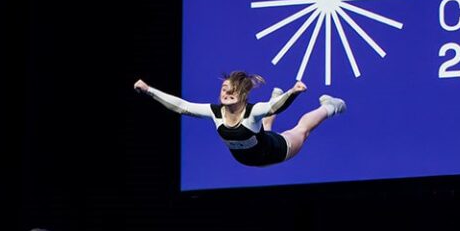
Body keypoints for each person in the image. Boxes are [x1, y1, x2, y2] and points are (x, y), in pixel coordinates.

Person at [133, 74, 345, 167]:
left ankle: (330, 106)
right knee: (264, 125)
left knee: (302, 130)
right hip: (252, 153)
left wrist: (293, 92)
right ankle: (276, 99)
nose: (227, 91)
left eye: (233, 89)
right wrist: (149, 90)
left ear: (243, 94)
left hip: (276, 151)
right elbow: (182, 106)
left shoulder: (252, 112)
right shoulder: (215, 112)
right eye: (224, 88)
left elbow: (274, 107)